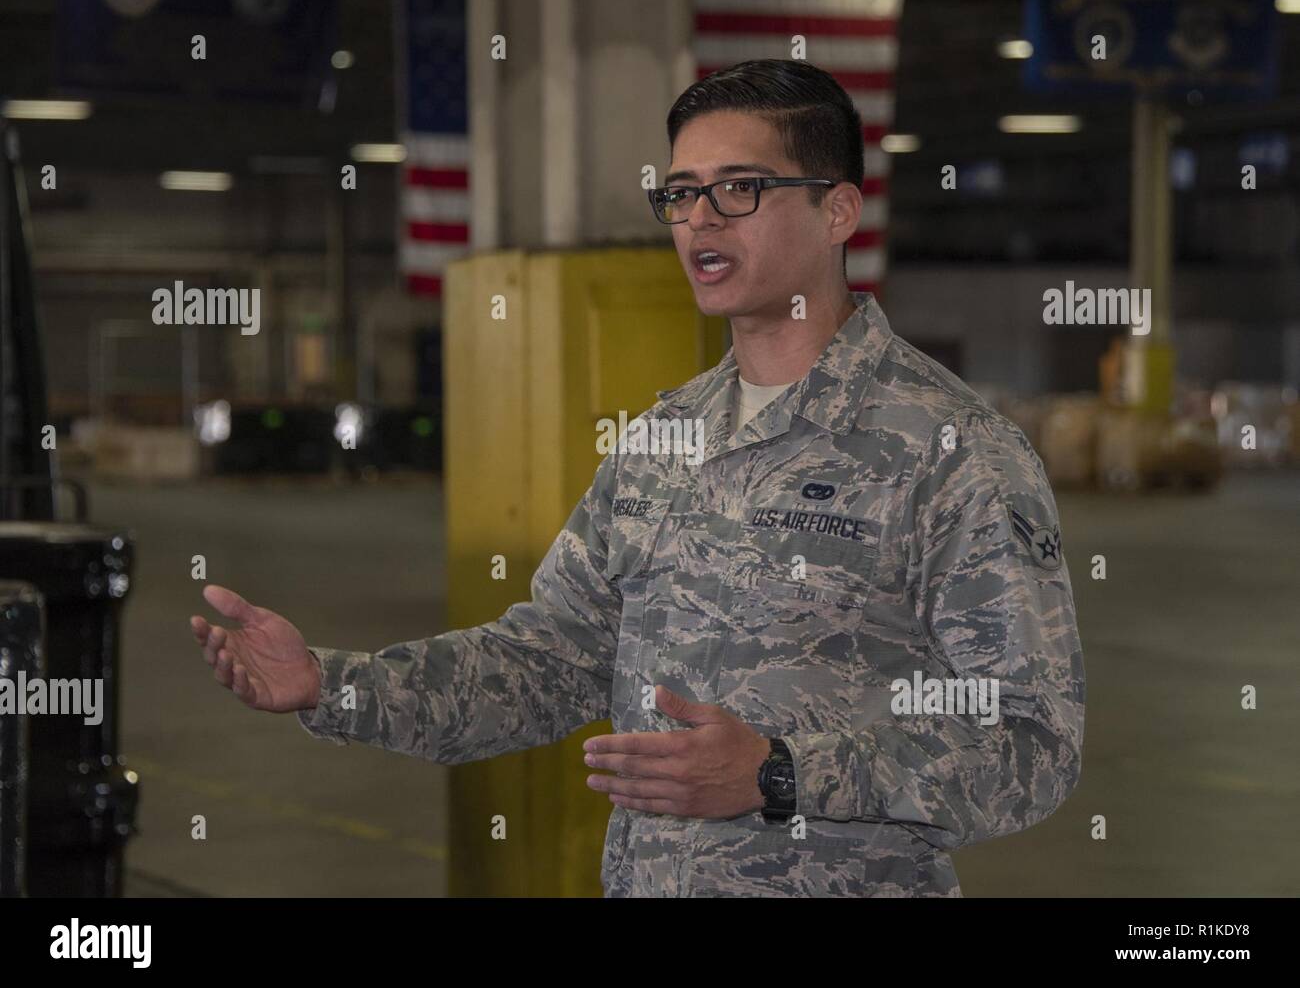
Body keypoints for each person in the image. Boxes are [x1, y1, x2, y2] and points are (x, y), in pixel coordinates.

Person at [191, 58, 1085, 897]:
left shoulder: (953, 448)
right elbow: (548, 660)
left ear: (838, 210)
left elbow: (1031, 744)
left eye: (741, 188)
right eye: (683, 193)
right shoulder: (662, 439)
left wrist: (781, 774)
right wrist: (331, 684)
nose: (701, 218)